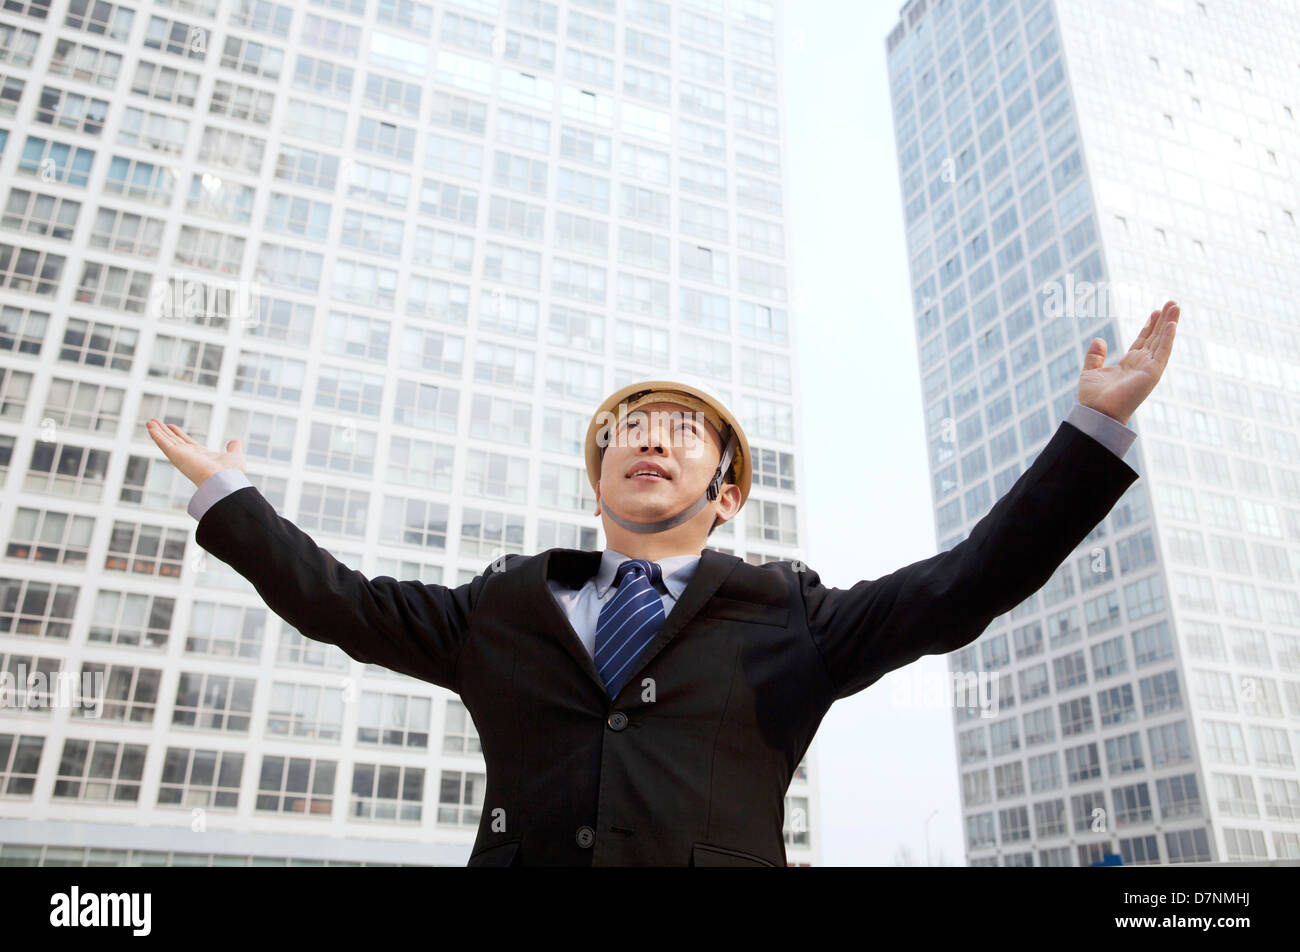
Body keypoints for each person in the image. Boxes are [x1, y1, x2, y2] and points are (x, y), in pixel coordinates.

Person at [147, 302, 1181, 865]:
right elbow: (342, 602)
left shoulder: (789, 613)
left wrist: (1090, 431)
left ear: (726, 495)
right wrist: (231, 497)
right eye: (628, 430)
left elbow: (961, 585)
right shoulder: (503, 606)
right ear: (597, 478)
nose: (651, 438)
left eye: (684, 430)